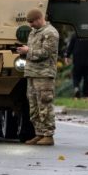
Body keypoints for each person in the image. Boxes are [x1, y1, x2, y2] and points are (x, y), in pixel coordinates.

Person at [16, 8, 59, 146]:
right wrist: (24, 51)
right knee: (34, 105)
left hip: (44, 74)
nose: (30, 25)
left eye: (32, 22)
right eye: (29, 22)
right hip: (32, 73)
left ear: (40, 19)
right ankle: (39, 133)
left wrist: (28, 51)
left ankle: (48, 135)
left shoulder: (50, 33)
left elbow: (45, 52)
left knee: (44, 104)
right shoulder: (34, 32)